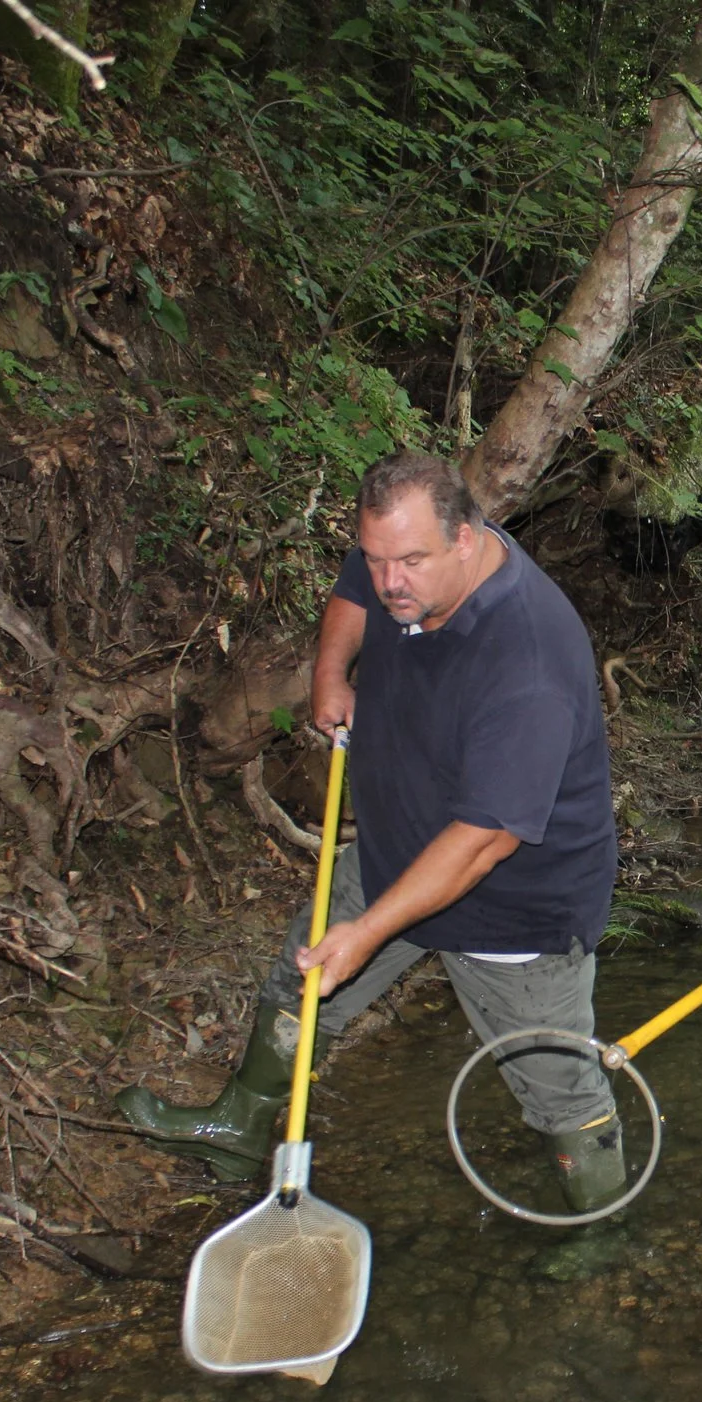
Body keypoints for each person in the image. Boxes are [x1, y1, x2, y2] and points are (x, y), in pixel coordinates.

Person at [116, 453, 626, 1214]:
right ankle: (235, 1133)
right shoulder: (395, 563)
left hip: (518, 907)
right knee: (301, 981)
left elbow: (486, 840)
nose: (392, 582)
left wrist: (368, 933)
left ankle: (600, 1236)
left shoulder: (528, 658)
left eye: (411, 561)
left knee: (555, 1087)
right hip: (398, 845)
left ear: (465, 538)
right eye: (380, 557)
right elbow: (358, 586)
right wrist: (331, 669)